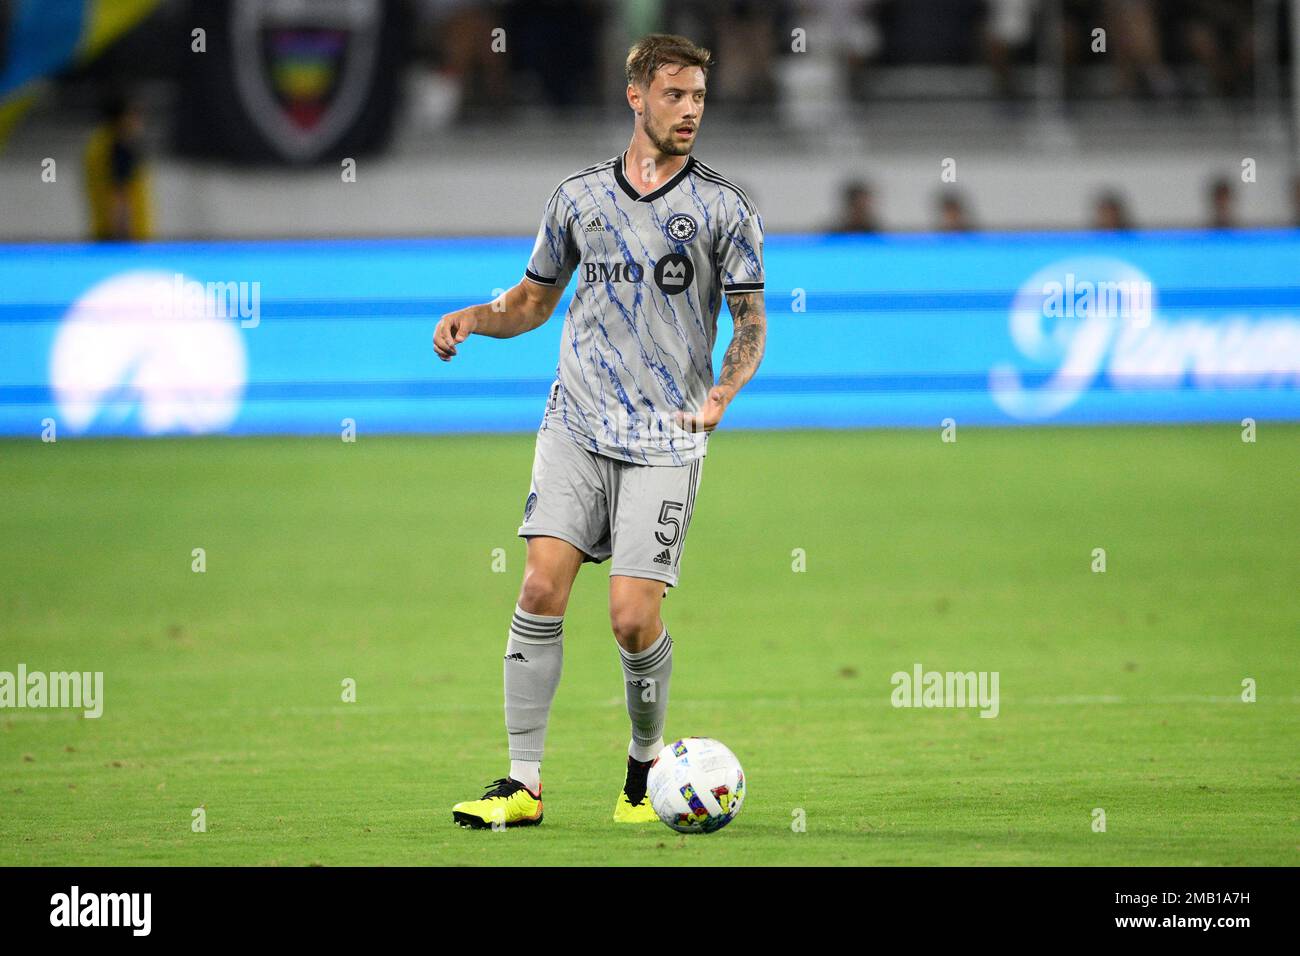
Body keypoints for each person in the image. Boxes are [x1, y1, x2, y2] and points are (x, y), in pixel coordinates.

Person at [432, 33, 767, 828]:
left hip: (667, 435)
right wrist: (473, 320)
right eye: (675, 95)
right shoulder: (578, 197)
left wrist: (723, 390)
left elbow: (752, 325)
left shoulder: (724, 208)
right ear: (637, 96)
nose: (690, 111)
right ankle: (522, 785)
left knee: (629, 616)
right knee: (541, 585)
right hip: (577, 423)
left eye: (698, 97)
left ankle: (643, 770)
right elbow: (532, 302)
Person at [84, 93, 152, 241]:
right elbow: (119, 195)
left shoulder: (98, 143)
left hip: (102, 231)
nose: (140, 122)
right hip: (126, 237)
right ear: (123, 117)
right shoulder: (120, 147)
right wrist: (122, 238)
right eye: (136, 115)